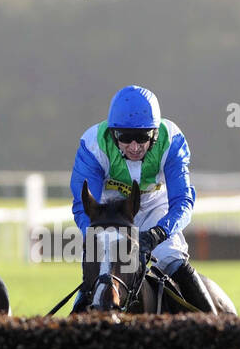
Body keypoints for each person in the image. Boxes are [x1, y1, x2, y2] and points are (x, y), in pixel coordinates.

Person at [68, 85, 216, 313]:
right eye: (125, 138)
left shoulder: (172, 140)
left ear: (155, 134)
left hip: (155, 206)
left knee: (173, 261)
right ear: (113, 133)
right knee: (98, 267)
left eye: (142, 137)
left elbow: (183, 202)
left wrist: (159, 233)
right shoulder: (93, 145)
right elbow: (83, 206)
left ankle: (215, 325)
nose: (134, 146)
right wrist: (96, 236)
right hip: (110, 212)